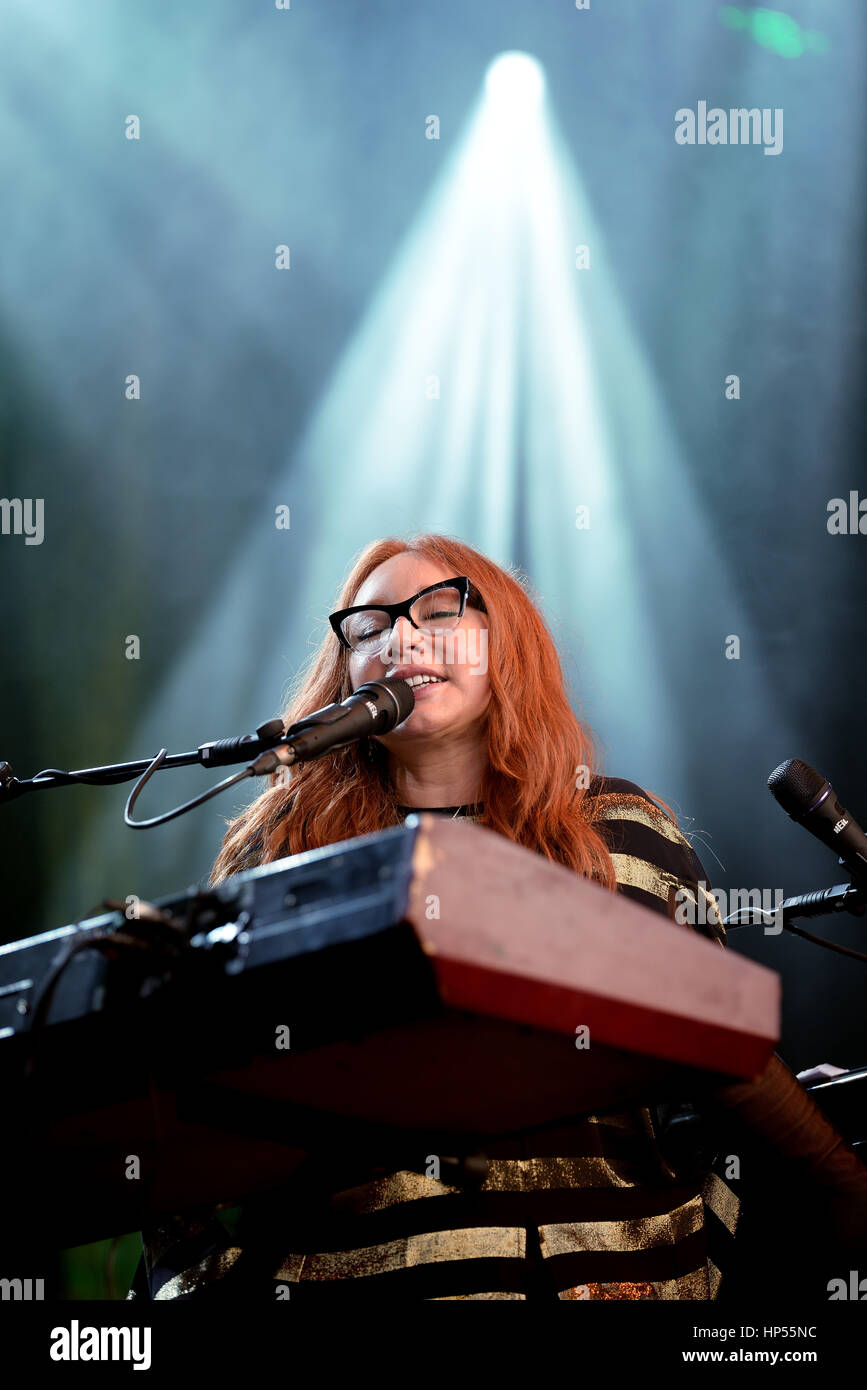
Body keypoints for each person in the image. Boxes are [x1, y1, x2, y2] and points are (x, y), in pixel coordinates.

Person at [126, 533, 865, 1301]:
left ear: (506, 643)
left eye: (438, 610)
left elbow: (714, 1060)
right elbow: (200, 1098)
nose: (400, 637)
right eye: (369, 627)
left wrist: (831, 1173)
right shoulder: (282, 846)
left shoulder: (617, 827)